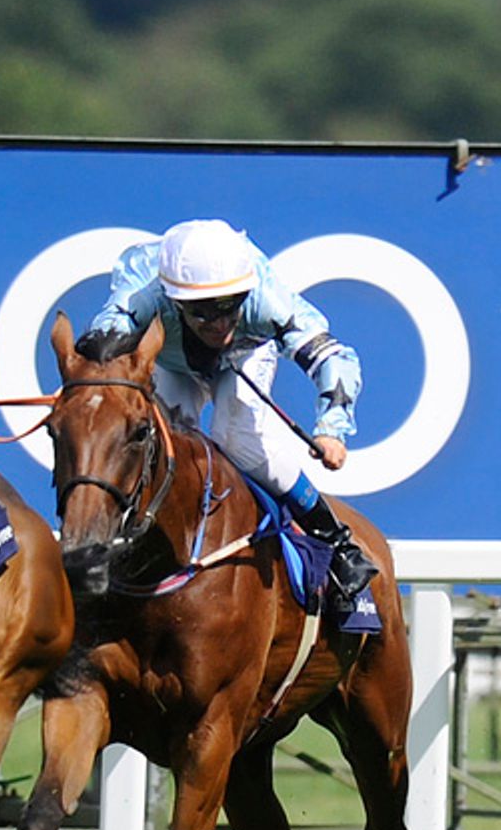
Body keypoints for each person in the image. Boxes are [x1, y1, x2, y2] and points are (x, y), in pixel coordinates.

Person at [88, 219, 376, 602]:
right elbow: (96, 349)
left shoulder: (265, 301)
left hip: (245, 352)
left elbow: (334, 357)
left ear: (247, 293)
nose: (220, 323)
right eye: (203, 311)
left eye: (230, 305)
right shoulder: (143, 295)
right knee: (164, 439)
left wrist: (332, 428)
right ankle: (106, 545)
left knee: (236, 439)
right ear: (172, 299)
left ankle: (337, 543)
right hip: (172, 364)